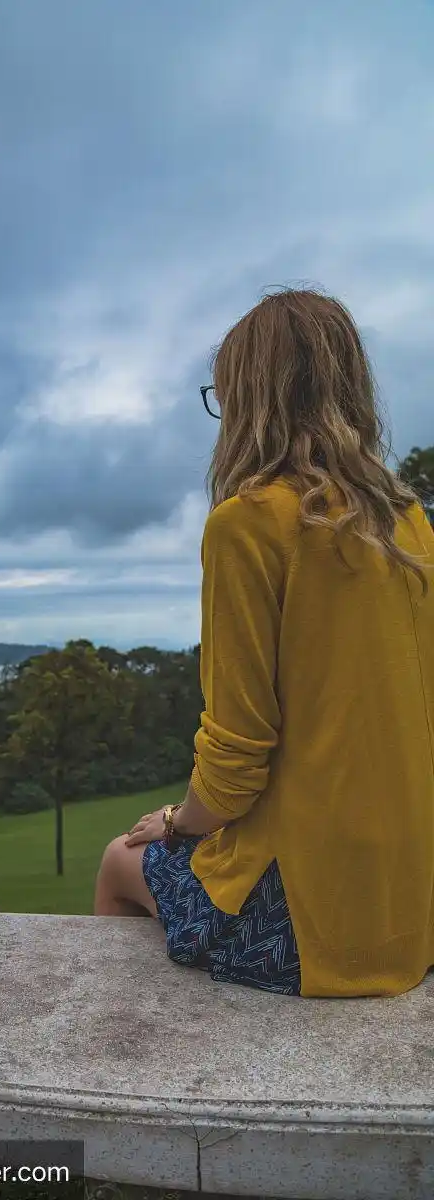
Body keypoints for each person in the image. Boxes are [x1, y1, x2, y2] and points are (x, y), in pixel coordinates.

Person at [93, 287, 434, 999]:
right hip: (413, 901)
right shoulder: (408, 524)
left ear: (249, 401)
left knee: (120, 859)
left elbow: (236, 757)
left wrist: (175, 822)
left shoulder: (247, 523)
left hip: (316, 920)